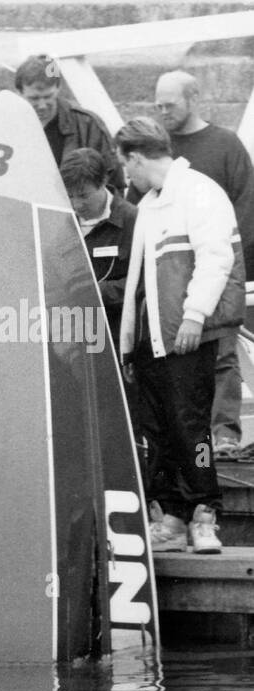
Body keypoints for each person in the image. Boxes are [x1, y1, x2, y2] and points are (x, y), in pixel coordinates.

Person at [117, 117, 245, 555]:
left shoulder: (197, 191)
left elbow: (216, 257)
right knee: (160, 429)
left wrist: (195, 316)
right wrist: (129, 343)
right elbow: (142, 282)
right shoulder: (151, 202)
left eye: (125, 165)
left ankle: (205, 513)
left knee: (191, 427)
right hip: (154, 337)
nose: (125, 176)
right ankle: (171, 515)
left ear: (135, 157)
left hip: (183, 334)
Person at [152, 69, 254, 459]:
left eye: (170, 105)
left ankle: (224, 434)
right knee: (177, 364)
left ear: (193, 99)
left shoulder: (225, 145)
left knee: (224, 356)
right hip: (171, 275)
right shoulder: (157, 146)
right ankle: (188, 441)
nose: (163, 112)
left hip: (220, 268)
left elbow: (246, 206)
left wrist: (226, 265)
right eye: (158, 105)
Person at [16, 54, 122, 194]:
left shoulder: (88, 125)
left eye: (48, 96)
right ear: (19, 93)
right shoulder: (7, 126)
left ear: (58, 87)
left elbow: (114, 184)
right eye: (34, 98)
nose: (42, 105)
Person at [60, 147, 136, 339]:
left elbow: (147, 282)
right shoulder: (60, 224)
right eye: (70, 196)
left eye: (84, 195)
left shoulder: (133, 220)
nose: (77, 205)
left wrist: (98, 292)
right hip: (73, 337)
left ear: (103, 182)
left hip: (118, 337)